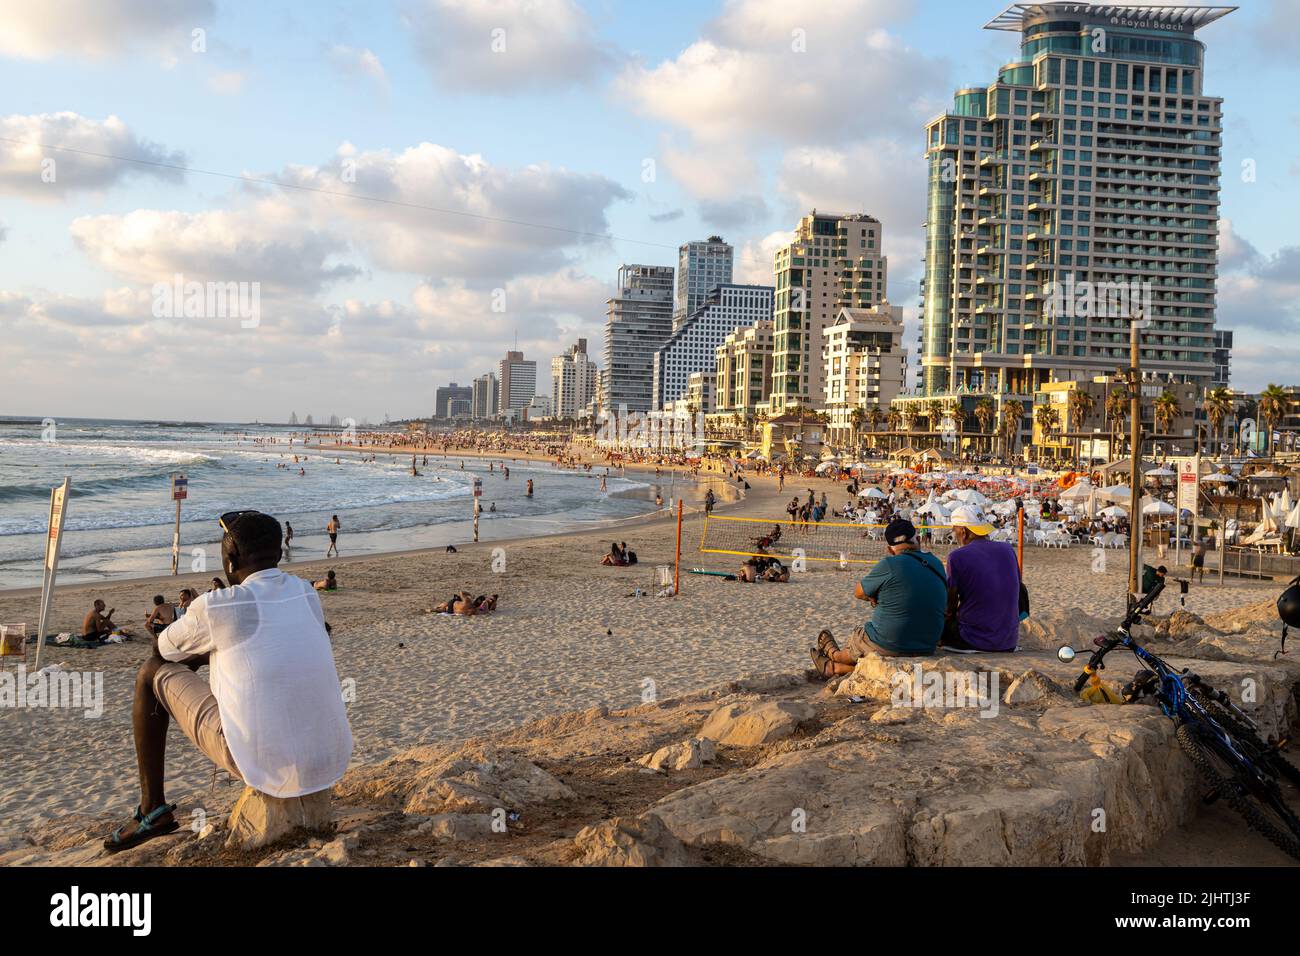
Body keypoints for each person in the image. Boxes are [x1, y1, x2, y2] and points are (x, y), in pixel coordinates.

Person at [103, 510, 352, 852]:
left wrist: (206, 654)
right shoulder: (305, 592)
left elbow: (161, 649)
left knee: (149, 674)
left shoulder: (220, 605)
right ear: (278, 554)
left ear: (230, 558)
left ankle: (152, 810)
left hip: (263, 762)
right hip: (327, 756)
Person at [810, 519, 947, 677]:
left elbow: (859, 592)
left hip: (889, 643)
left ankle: (835, 658)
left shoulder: (889, 564)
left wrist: (873, 597)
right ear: (919, 539)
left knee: (860, 638)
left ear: (890, 549)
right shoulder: (936, 563)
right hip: (927, 645)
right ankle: (837, 668)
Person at [942, 505, 1021, 653]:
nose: (954, 534)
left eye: (955, 530)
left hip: (974, 638)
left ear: (963, 531)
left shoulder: (957, 556)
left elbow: (950, 605)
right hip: (1008, 639)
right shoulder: (1008, 550)